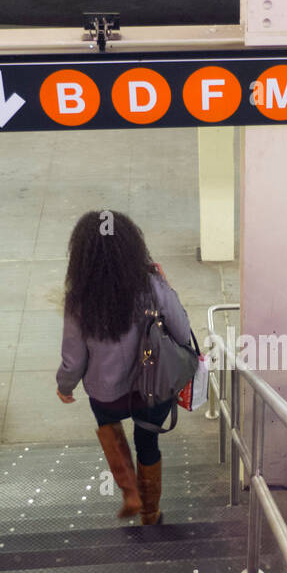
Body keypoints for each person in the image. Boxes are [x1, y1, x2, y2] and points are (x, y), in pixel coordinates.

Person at [55, 210, 192, 525]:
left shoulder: (79, 299)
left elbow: (74, 358)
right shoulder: (150, 284)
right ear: (132, 246)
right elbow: (182, 332)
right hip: (153, 386)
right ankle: (150, 512)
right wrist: (166, 286)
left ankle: (129, 491)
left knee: (111, 431)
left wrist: (65, 386)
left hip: (107, 393)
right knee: (148, 441)